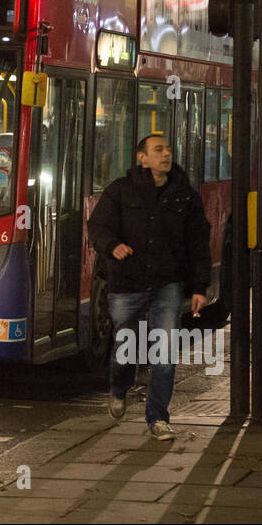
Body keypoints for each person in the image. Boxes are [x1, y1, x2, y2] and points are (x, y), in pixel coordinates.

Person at [87, 134, 212, 441]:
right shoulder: (121, 190)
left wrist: (199, 287)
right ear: (142, 157)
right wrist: (112, 245)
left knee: (165, 355)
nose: (166, 154)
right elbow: (98, 226)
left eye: (168, 149)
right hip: (128, 282)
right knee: (125, 348)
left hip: (166, 284)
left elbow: (198, 242)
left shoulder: (184, 195)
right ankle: (119, 388)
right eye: (159, 150)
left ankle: (158, 418)